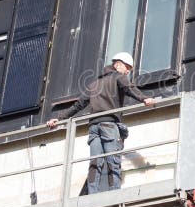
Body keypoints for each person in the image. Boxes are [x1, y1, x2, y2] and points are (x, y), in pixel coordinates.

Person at [46, 52, 155, 194]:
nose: (128, 71)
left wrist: (59, 119)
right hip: (109, 125)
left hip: (93, 128)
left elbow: (78, 105)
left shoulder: (94, 84)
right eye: (127, 67)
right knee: (113, 161)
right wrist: (144, 99)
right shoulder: (118, 77)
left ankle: (93, 193)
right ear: (117, 64)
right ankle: (114, 193)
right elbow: (130, 89)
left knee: (95, 163)